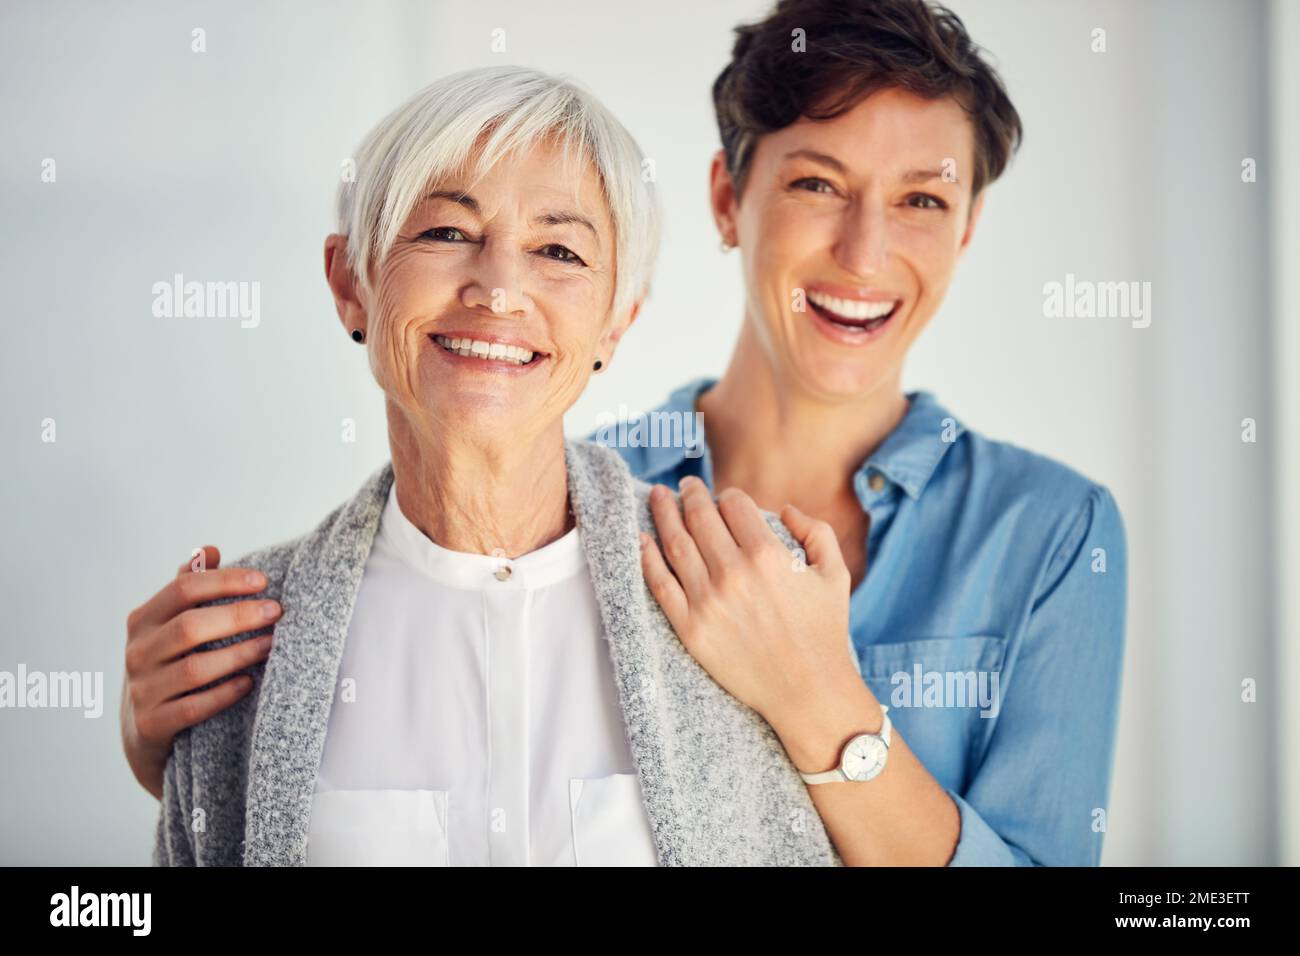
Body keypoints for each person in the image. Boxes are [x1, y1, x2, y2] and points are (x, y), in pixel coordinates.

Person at [129, 0, 1127, 867]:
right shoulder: (556, 486)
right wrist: (176, 746)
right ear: (727, 199)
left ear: (967, 227)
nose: (864, 251)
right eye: (816, 184)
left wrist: (821, 700)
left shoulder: (1049, 532)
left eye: (922, 199)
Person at [149, 64, 850, 866]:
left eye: (558, 250)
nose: (499, 289)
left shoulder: (752, 590)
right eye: (447, 233)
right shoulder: (238, 653)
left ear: (616, 324)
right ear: (351, 283)